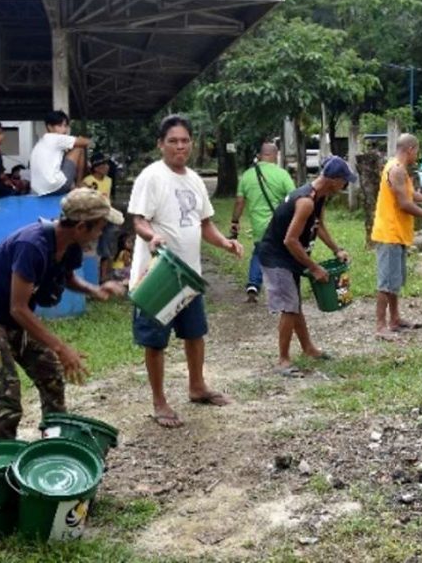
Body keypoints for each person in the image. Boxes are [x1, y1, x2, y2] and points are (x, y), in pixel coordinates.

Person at [0, 187, 125, 440]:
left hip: (14, 315)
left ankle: (53, 443)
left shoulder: (70, 245)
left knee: (50, 375)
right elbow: (17, 308)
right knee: (7, 397)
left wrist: (94, 290)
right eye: (100, 226)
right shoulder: (32, 246)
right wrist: (61, 348)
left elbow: (67, 277)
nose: (102, 231)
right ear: (81, 227)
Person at [128, 114, 243, 428]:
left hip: (189, 274)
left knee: (195, 334)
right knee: (155, 341)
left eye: (184, 141)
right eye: (172, 141)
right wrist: (152, 236)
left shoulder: (193, 179)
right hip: (157, 273)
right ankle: (159, 401)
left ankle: (197, 386)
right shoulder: (151, 177)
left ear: (192, 143)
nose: (179, 146)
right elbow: (138, 219)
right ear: (160, 144)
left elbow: (204, 224)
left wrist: (225, 243)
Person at [258, 156, 354, 372]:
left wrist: (336, 249)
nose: (345, 185)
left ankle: (308, 348)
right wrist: (314, 267)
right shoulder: (305, 201)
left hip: (289, 256)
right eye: (344, 181)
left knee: (295, 305)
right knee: (289, 307)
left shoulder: (318, 197)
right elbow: (290, 240)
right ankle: (283, 360)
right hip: (276, 257)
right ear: (334, 180)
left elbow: (318, 226)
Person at [371, 133, 422, 339]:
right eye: (417, 151)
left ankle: (395, 318)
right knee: (386, 283)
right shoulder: (397, 170)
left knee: (395, 280)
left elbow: (408, 194)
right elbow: (404, 203)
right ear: (410, 149)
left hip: (398, 232)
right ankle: (380, 326)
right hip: (390, 232)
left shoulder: (396, 167)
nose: (417, 155)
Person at [231, 142, 296, 303]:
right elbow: (295, 199)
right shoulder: (282, 175)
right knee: (282, 254)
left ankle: (253, 284)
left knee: (259, 253)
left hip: (259, 226)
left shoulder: (247, 175)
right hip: (280, 224)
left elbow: (239, 202)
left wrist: (235, 220)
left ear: (260, 155)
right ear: (275, 155)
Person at [30, 110, 92, 196]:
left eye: (65, 126)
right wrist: (80, 138)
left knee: (66, 154)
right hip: (55, 187)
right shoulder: (56, 138)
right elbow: (86, 142)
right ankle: (79, 185)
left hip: (38, 190)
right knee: (79, 148)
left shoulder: (41, 142)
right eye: (59, 126)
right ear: (50, 127)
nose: (64, 130)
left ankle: (73, 186)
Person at [83, 152, 118, 284]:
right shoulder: (88, 181)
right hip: (92, 217)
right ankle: (91, 278)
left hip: (106, 217)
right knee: (89, 247)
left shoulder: (109, 181)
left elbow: (109, 198)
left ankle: (104, 277)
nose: (107, 167)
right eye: (103, 165)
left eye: (107, 164)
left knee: (106, 246)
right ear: (96, 167)